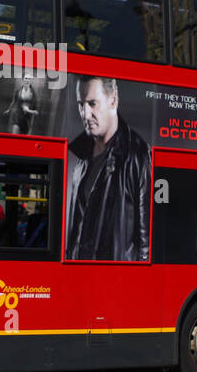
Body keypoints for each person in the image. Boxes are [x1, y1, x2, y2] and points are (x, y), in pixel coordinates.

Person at [65, 76, 151, 261]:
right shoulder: (80, 158)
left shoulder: (138, 156)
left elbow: (145, 242)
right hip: (80, 276)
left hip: (115, 279)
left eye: (92, 103)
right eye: (81, 105)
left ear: (113, 100)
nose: (85, 114)